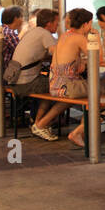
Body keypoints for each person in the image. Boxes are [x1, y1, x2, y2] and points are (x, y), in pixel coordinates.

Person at [35, 8, 91, 144]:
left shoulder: (64, 36)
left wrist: (81, 61)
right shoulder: (80, 38)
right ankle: (80, 132)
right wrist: (95, 36)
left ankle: (41, 124)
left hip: (55, 84)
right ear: (86, 24)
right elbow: (98, 57)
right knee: (102, 93)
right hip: (67, 86)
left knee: (70, 98)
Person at [10, 8, 58, 111]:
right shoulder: (45, 34)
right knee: (60, 86)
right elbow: (58, 55)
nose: (57, 26)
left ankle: (36, 117)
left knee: (48, 82)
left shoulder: (32, 32)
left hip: (15, 81)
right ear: (49, 24)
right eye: (56, 23)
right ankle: (42, 121)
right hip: (26, 84)